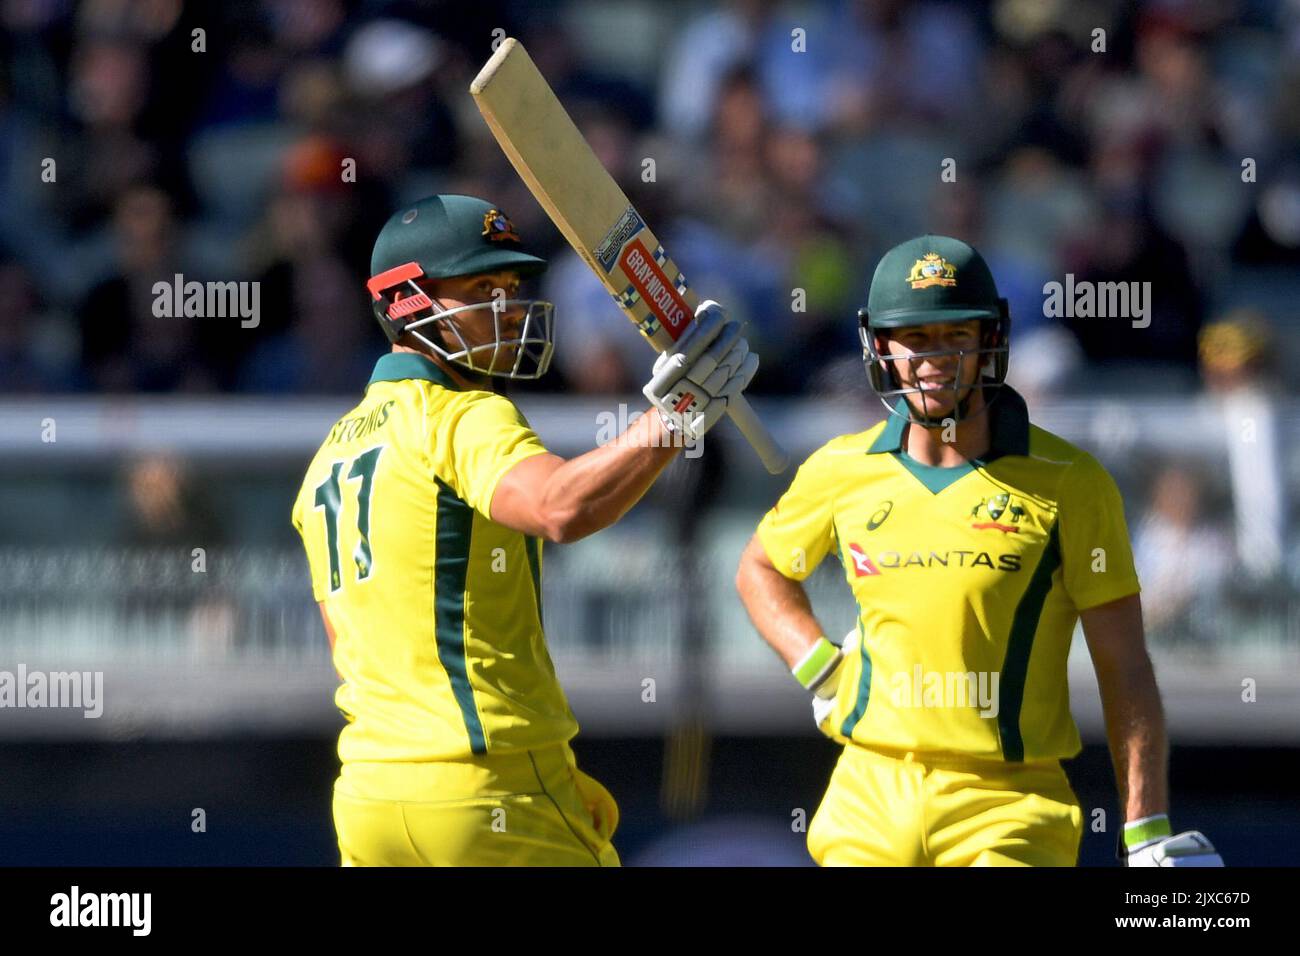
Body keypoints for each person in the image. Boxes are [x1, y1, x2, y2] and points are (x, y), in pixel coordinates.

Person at [291, 194, 756, 866]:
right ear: (406, 301)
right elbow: (560, 508)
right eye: (481, 288)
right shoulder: (463, 415)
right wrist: (679, 415)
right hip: (487, 782)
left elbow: (349, 644)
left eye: (509, 287)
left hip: (370, 799)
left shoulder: (330, 455)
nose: (507, 308)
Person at [735, 235, 1221, 867]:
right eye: (914, 338)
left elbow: (1125, 668)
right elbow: (762, 567)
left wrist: (1146, 827)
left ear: (989, 338)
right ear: (880, 346)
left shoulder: (1070, 482)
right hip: (867, 791)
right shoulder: (840, 469)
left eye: (952, 335)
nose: (932, 358)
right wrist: (822, 669)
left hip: (1009, 806)